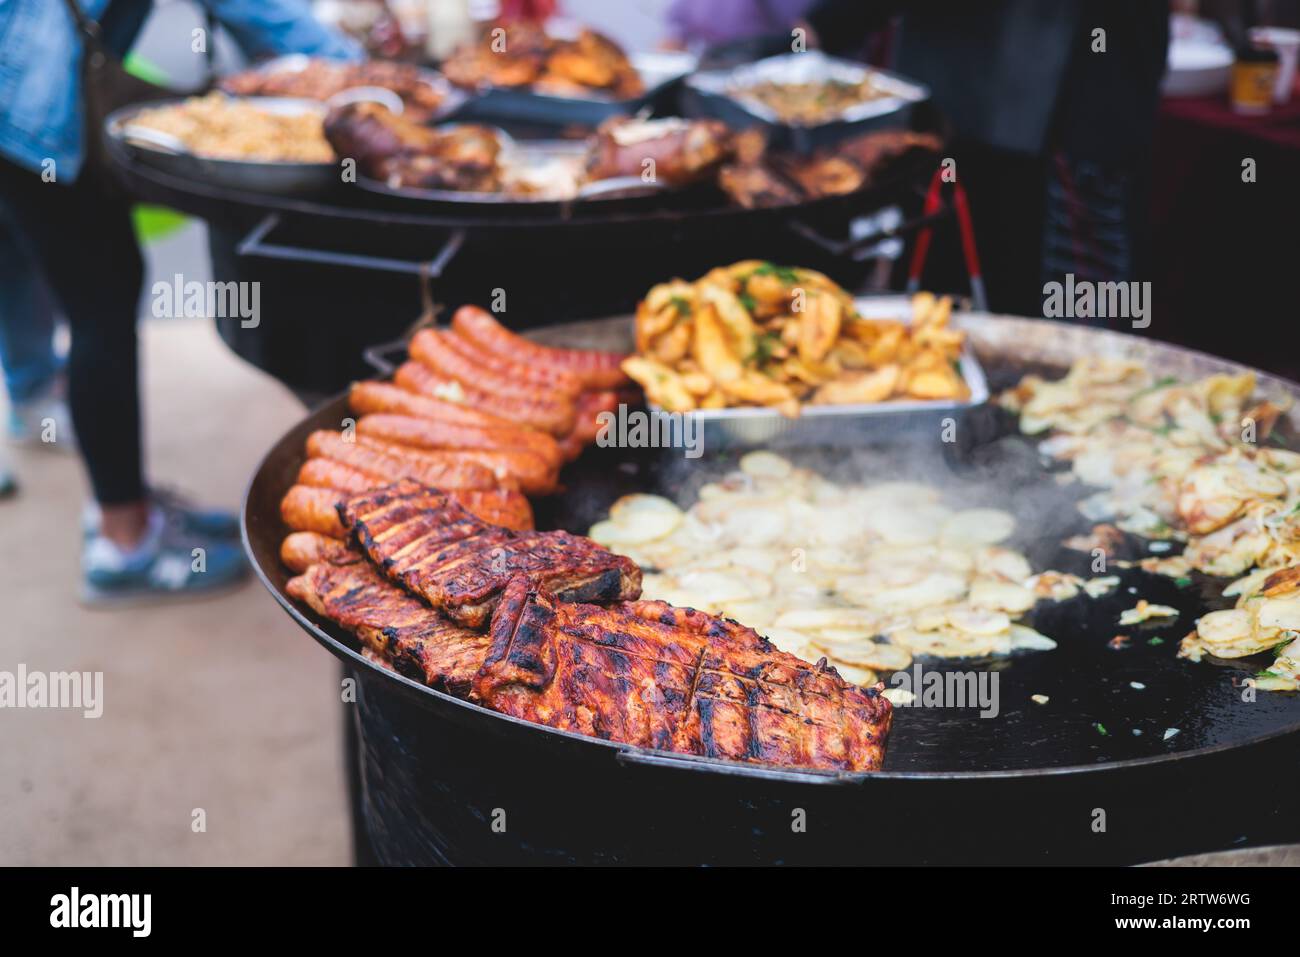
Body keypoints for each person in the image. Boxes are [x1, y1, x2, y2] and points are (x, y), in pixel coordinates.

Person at [0, 0, 360, 603]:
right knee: (102, 308)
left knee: (60, 277)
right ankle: (123, 544)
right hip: (38, 113)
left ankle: (78, 449)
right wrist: (355, 68)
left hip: (21, 100)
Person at [797, 0, 1170, 317]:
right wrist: (828, 24)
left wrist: (830, 22)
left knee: (1085, 333)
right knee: (946, 322)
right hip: (966, 112)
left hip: (1074, 107)